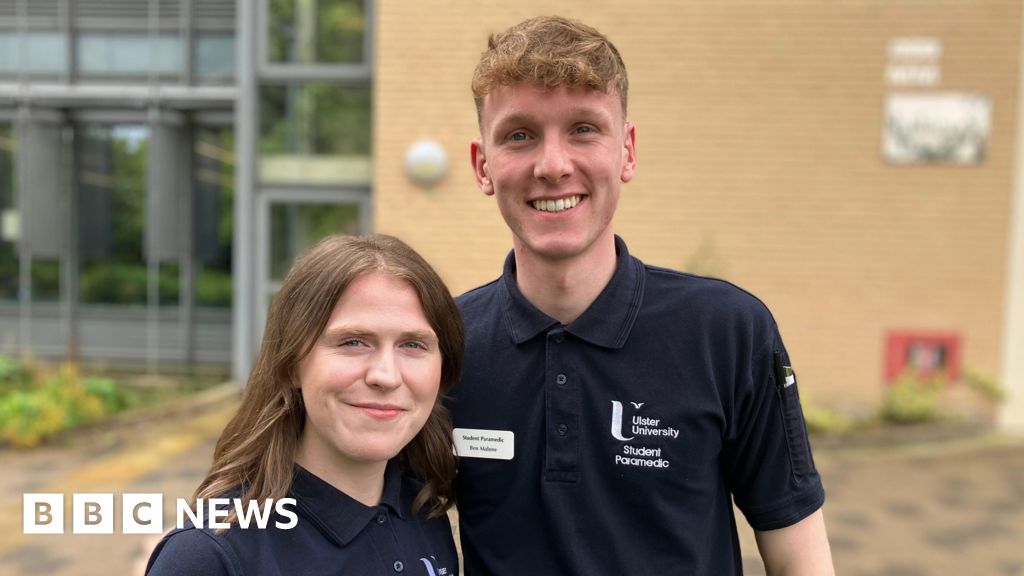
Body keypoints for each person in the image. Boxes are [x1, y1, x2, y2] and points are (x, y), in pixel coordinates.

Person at [448, 15, 835, 575]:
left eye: (584, 128)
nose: (553, 165)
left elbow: (800, 558)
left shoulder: (727, 331)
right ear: (483, 166)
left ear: (626, 151)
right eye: (519, 134)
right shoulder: (443, 346)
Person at [147, 234, 463, 576]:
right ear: (291, 365)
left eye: (413, 345)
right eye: (353, 342)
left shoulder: (424, 513)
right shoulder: (209, 555)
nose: (386, 376)